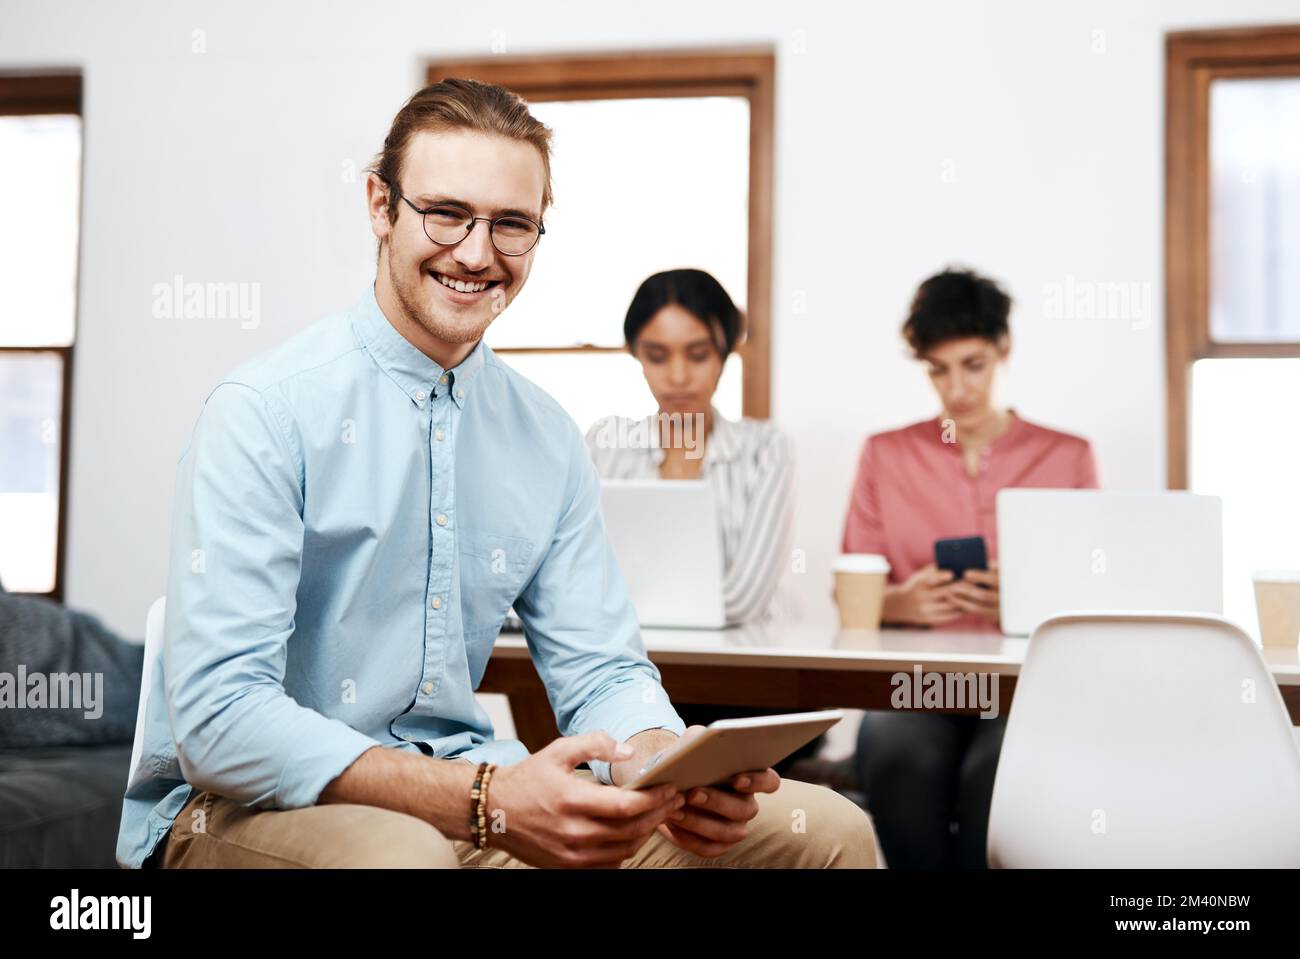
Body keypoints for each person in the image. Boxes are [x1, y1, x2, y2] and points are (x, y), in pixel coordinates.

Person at [117, 78, 876, 869]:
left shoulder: (546, 436)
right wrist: (484, 798)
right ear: (380, 206)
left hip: (471, 793)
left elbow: (602, 667)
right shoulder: (263, 412)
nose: (478, 254)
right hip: (250, 808)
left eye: (511, 224)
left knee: (825, 832)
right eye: (446, 213)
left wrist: (661, 761)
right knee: (401, 856)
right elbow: (221, 720)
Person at [843, 267, 1099, 868]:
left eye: (973, 364)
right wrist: (898, 604)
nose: (956, 388)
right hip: (917, 682)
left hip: (1025, 687)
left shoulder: (1066, 457)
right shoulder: (887, 454)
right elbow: (852, 591)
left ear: (1003, 349)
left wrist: (1030, 599)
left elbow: (1094, 597)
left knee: (1001, 768)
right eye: (938, 369)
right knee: (895, 748)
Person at [586, 269, 792, 626]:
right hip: (623, 662)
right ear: (634, 353)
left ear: (725, 352)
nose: (678, 377)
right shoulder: (605, 446)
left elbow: (744, 600)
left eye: (698, 355)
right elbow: (576, 576)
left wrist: (612, 608)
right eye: (657, 356)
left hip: (739, 664)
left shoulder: (765, 450)